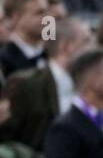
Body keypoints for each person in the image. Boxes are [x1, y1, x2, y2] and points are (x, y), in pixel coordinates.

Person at [1, 16, 89, 149]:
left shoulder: (88, 84)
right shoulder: (25, 84)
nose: (92, 48)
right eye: (86, 41)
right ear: (66, 46)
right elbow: (7, 138)